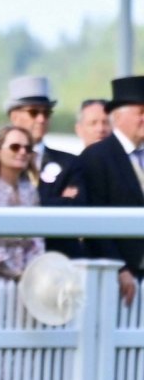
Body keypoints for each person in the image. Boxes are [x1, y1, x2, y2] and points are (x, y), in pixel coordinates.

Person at [74, 76, 144, 306]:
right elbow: (95, 220)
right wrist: (120, 267)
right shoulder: (97, 157)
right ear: (119, 116)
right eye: (141, 112)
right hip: (118, 278)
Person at [3, 76, 81, 256]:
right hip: (12, 258)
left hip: (60, 257)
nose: (41, 119)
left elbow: (76, 208)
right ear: (15, 116)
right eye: (34, 112)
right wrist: (58, 200)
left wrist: (22, 202)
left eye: (46, 113)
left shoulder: (69, 162)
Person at [0, 125, 43, 282]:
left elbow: (37, 238)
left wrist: (32, 270)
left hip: (30, 280)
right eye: (15, 147)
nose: (22, 152)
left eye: (28, 148)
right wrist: (15, 272)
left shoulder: (30, 190)